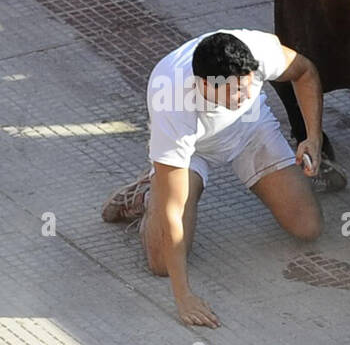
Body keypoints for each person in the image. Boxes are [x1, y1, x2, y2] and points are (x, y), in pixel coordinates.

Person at [101, 30, 324, 327]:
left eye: (249, 86)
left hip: (249, 130)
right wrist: (184, 297)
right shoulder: (172, 100)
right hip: (193, 147)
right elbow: (173, 212)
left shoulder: (258, 51)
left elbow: (306, 72)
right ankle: (148, 192)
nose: (246, 96)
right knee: (162, 263)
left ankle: (157, 184)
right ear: (205, 84)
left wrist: (313, 139)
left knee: (308, 226)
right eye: (236, 92)